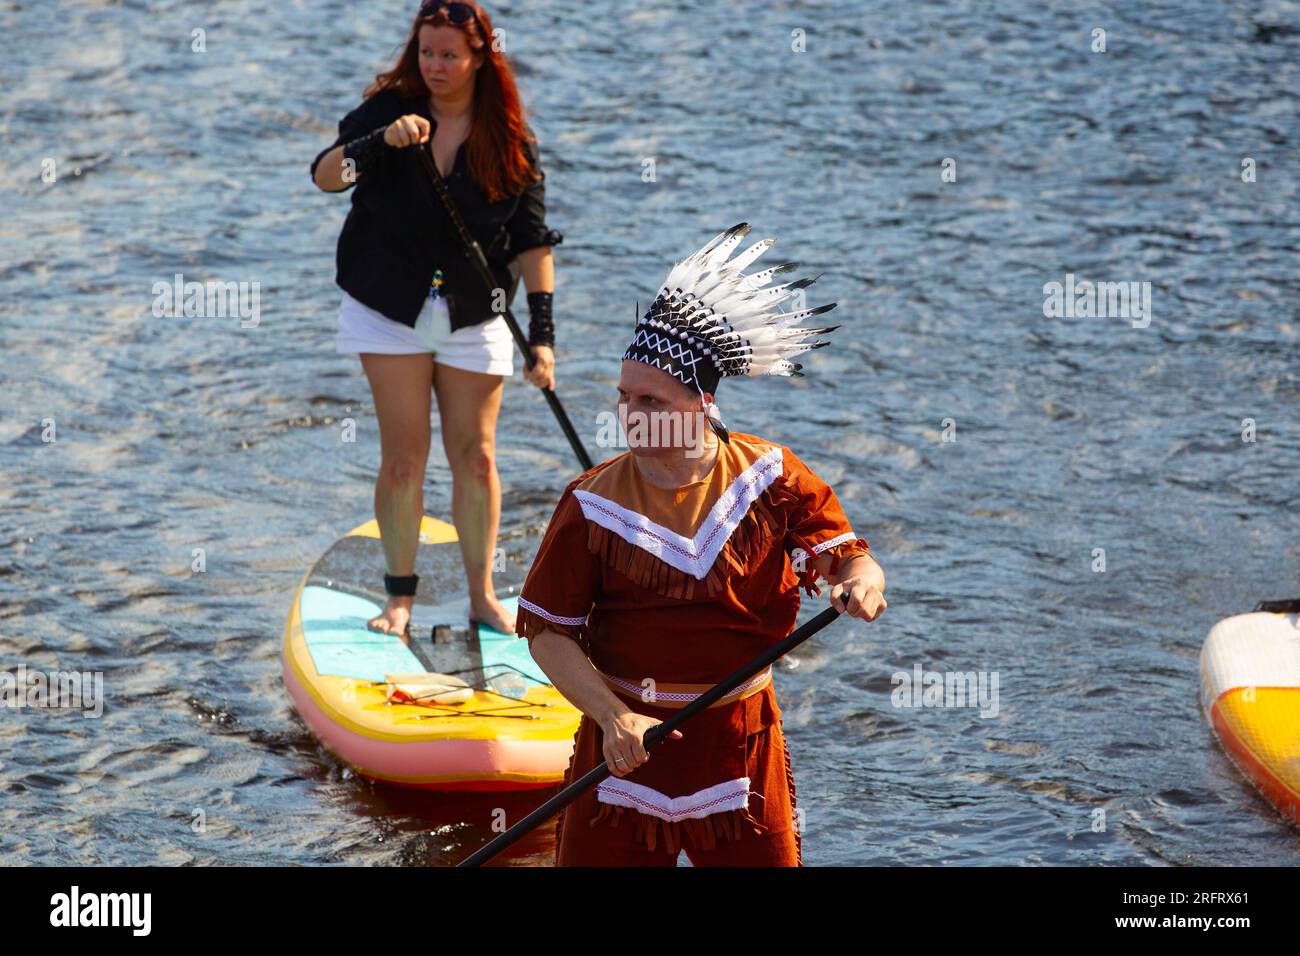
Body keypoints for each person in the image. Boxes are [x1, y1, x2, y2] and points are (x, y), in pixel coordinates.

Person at [516, 223, 887, 866]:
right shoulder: (590, 502)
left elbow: (851, 557)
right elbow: (548, 632)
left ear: (700, 403)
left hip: (739, 749)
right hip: (622, 751)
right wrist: (610, 716)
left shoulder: (770, 477)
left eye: (651, 400)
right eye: (624, 398)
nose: (630, 414)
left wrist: (862, 581)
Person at [309, 0, 563, 636]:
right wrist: (375, 144)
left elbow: (532, 244)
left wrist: (544, 336)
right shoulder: (388, 110)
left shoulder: (510, 139)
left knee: (476, 457)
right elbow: (324, 176)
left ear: (481, 56)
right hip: (387, 306)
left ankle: (482, 598)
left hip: (477, 314)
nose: (436, 65)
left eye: (450, 54)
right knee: (404, 457)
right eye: (427, 52)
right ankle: (399, 597)